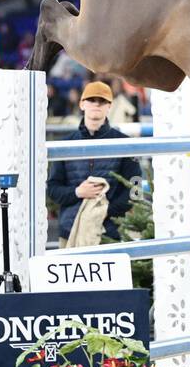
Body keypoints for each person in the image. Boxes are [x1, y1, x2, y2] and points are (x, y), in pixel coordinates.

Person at [46, 81, 143, 247]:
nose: (96, 104)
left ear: (109, 106)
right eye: (91, 100)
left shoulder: (124, 143)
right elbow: (53, 189)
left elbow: (134, 189)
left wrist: (105, 211)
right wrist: (78, 192)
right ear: (82, 104)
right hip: (70, 231)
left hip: (111, 234)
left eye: (102, 101)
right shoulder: (65, 144)